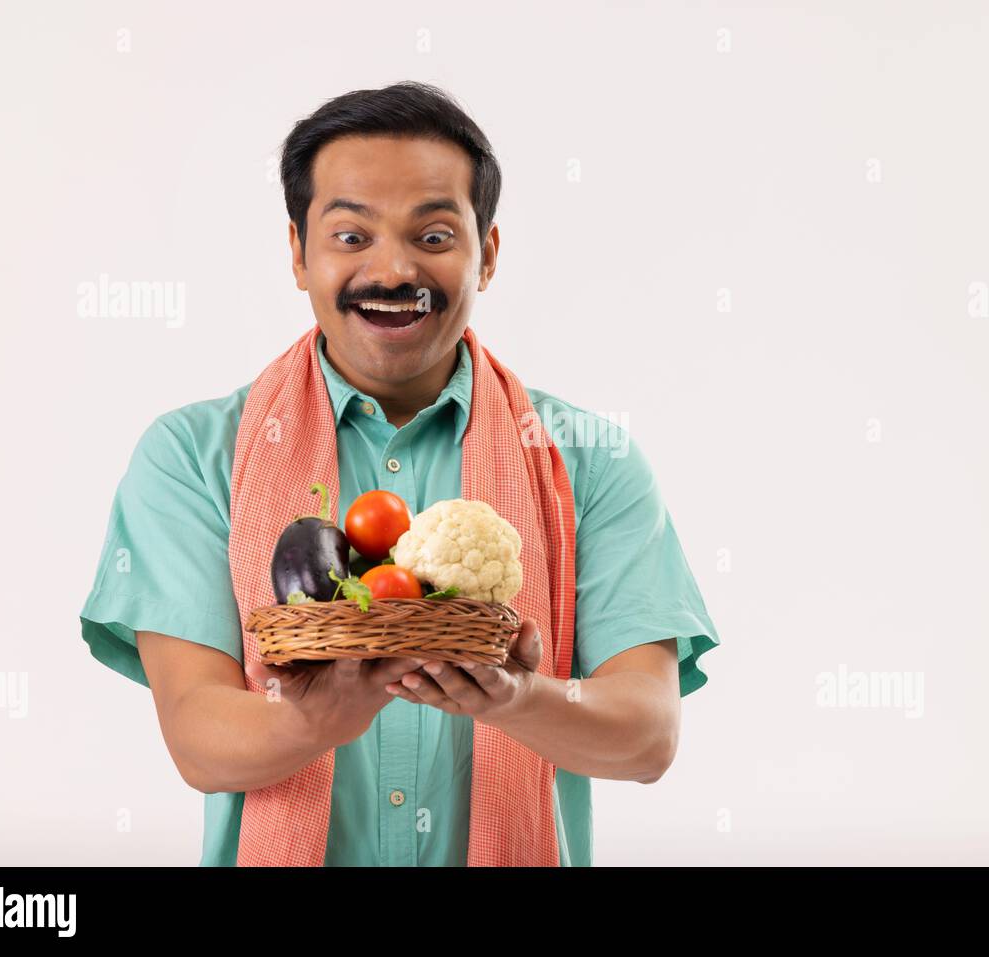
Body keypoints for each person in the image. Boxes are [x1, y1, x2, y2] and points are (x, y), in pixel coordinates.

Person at [78, 81, 719, 866]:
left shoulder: (589, 457)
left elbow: (647, 733)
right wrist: (316, 720)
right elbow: (199, 736)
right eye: (351, 236)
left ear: (486, 254)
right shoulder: (191, 456)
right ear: (296, 251)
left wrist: (525, 698)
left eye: (434, 235)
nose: (391, 270)